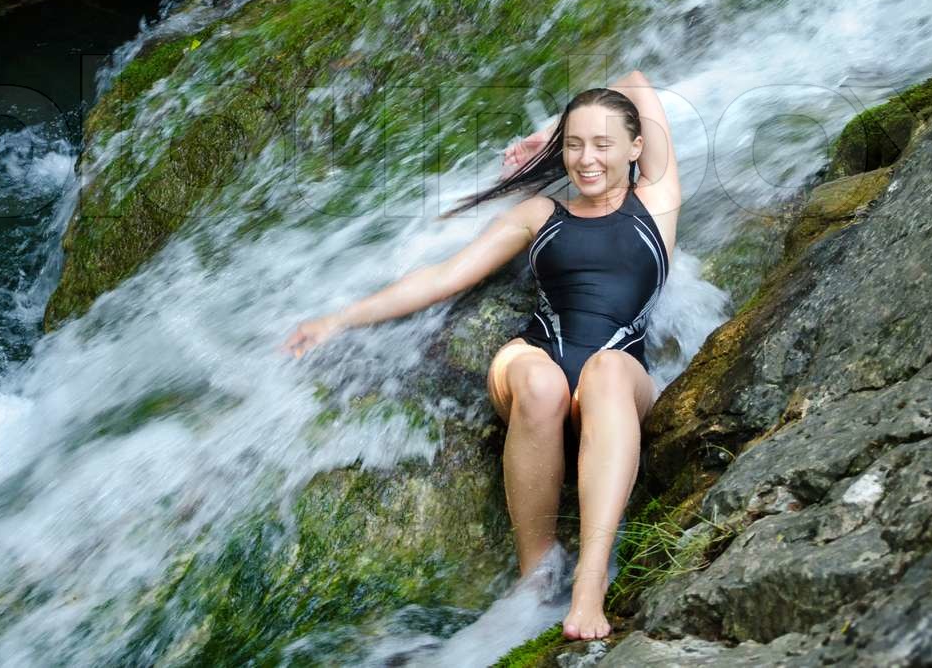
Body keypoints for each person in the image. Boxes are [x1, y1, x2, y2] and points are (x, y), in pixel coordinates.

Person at [280, 69, 681, 641]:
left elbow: (637, 81)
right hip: (534, 361)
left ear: (635, 147)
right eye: (573, 145)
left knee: (610, 371)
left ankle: (590, 586)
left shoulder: (658, 200)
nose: (586, 159)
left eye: (601, 144)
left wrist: (548, 130)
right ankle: (535, 577)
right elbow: (444, 276)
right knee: (541, 385)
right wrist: (339, 318)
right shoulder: (540, 215)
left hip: (613, 381)